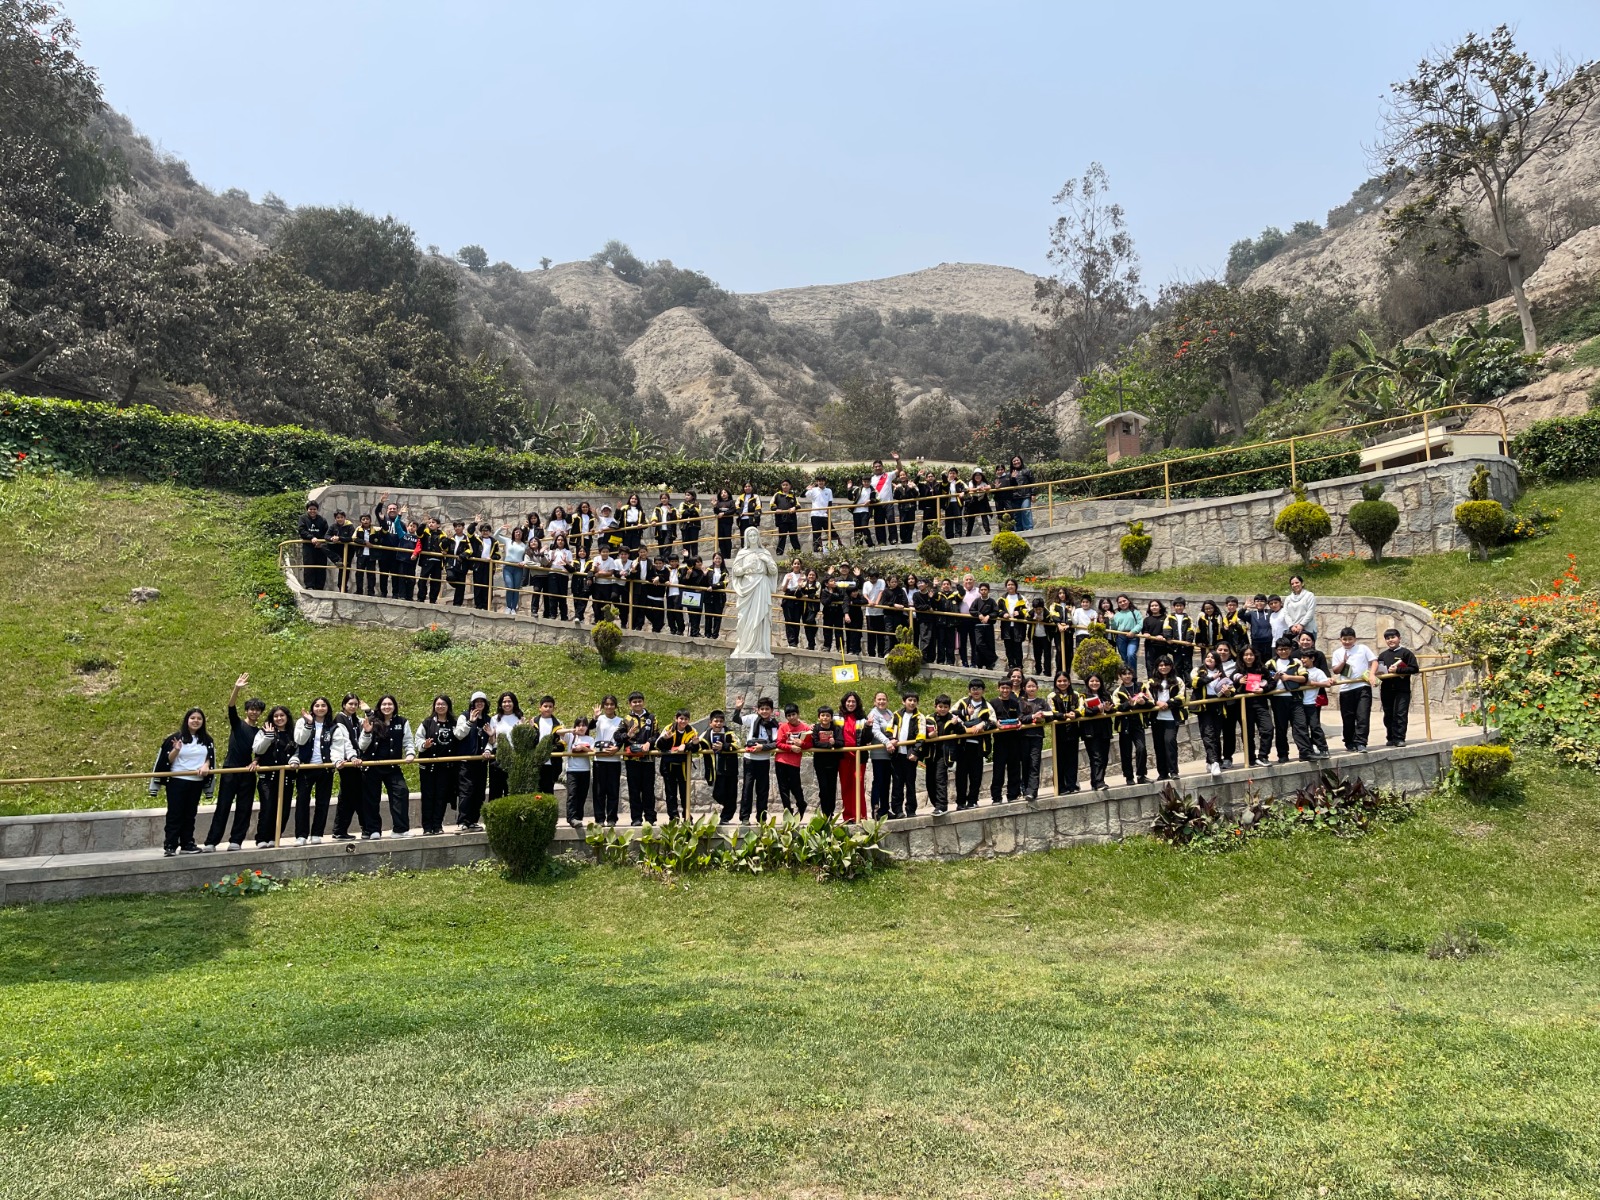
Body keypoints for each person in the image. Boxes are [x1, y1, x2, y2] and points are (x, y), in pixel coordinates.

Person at [202, 674, 262, 851]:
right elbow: (231, 706)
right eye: (251, 709)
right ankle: (211, 842)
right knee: (223, 806)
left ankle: (236, 840)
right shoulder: (237, 724)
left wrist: (256, 760)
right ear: (247, 710)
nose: (254, 712)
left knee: (244, 808)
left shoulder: (260, 732)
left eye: (257, 710)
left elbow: (262, 750)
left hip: (247, 772)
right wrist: (237, 688)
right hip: (230, 769)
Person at [148, 707, 214, 856]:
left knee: (190, 814)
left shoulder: (207, 740)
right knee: (175, 814)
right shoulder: (176, 738)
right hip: (177, 781)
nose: (196, 721)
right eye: (193, 718)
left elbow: (209, 757)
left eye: (199, 718)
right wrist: (176, 749)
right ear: (187, 720)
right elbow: (167, 760)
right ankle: (170, 845)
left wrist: (206, 765)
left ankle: (187, 843)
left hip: (196, 781)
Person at [291, 697, 347, 843]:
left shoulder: (333, 727)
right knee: (302, 802)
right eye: (317, 705)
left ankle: (317, 834)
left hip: (325, 769)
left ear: (327, 708)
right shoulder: (302, 722)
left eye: (323, 705)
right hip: (306, 768)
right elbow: (299, 740)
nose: (320, 708)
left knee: (323, 802)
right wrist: (309, 724)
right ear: (312, 708)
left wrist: (337, 761)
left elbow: (336, 747)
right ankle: (301, 835)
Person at [358, 695, 415, 837]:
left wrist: (410, 753)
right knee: (371, 798)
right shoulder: (372, 721)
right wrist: (367, 732)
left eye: (390, 704)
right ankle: (373, 830)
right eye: (384, 704)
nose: (387, 707)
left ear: (394, 706)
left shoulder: (402, 722)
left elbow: (408, 741)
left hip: (392, 767)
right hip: (372, 766)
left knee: (401, 792)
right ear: (379, 706)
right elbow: (362, 746)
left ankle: (400, 829)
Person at [251, 705, 298, 846]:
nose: (279, 718)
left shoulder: (293, 733)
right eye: (276, 716)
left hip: (287, 777)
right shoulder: (264, 731)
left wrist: (295, 759)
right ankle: (262, 838)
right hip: (268, 778)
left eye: (282, 715)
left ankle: (275, 837)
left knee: (284, 810)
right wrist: (268, 737)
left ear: (287, 717)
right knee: (268, 807)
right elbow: (257, 749)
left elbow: (299, 749)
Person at [416, 695, 459, 836]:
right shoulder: (427, 723)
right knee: (428, 796)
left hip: (446, 768)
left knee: (442, 796)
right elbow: (418, 739)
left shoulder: (454, 723)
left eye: (443, 704)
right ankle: (427, 827)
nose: (440, 706)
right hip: (428, 767)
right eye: (438, 704)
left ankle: (437, 825)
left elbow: (460, 737)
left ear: (448, 706)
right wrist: (425, 745)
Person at [1330, 626, 1377, 752]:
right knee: (1348, 718)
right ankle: (1349, 741)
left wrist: (1372, 674)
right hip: (1346, 689)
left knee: (1363, 715)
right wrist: (1343, 661)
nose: (1347, 642)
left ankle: (1361, 742)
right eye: (1344, 639)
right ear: (1340, 639)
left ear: (1355, 639)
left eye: (1350, 639)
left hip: (1362, 686)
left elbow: (1374, 661)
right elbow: (1336, 670)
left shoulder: (1363, 648)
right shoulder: (1337, 652)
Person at [951, 679, 994, 810]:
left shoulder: (987, 706)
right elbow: (951, 714)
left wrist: (983, 724)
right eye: (973, 689)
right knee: (961, 775)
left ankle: (973, 800)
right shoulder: (962, 702)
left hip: (978, 745)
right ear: (969, 690)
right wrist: (963, 721)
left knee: (976, 775)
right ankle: (960, 802)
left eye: (979, 688)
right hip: (962, 745)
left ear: (983, 690)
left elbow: (993, 721)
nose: (976, 691)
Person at [455, 692, 494, 831]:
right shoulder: (464, 716)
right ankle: (463, 821)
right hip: (466, 761)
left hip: (481, 762)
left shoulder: (488, 719)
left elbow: (491, 740)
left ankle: (473, 821)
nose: (479, 704)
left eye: (482, 701)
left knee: (479, 791)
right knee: (466, 791)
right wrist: (470, 722)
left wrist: (488, 749)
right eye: (477, 701)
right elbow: (458, 735)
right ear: (472, 704)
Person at [736, 695, 779, 822]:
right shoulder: (753, 718)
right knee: (747, 788)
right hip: (749, 759)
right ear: (758, 710)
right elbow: (736, 720)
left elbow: (776, 743)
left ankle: (762, 818)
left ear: (771, 710)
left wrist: (763, 747)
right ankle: (744, 818)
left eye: (767, 709)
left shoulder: (774, 724)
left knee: (763, 790)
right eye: (762, 709)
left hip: (764, 760)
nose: (764, 711)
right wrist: (738, 708)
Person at [883, 692, 926, 817]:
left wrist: (915, 752)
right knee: (897, 783)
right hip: (897, 755)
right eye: (909, 700)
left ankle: (911, 810)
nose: (912, 703)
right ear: (903, 701)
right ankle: (898, 810)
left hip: (910, 755)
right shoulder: (896, 715)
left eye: (914, 700)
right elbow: (889, 730)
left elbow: (921, 736)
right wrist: (891, 739)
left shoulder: (919, 717)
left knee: (910, 783)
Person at [1285, 649, 1332, 761]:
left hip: (1310, 704)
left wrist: (1312, 683)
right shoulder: (1297, 670)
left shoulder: (1318, 672)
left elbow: (1327, 684)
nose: (1302, 660)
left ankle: (1323, 749)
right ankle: (1307, 751)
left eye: (1305, 658)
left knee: (1315, 727)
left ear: (1312, 659)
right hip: (1298, 704)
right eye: (1301, 658)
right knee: (1301, 729)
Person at [1376, 629, 1419, 747]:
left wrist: (1398, 670)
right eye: (1387, 638)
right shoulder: (1383, 655)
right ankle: (1390, 737)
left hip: (1402, 690)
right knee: (1388, 714)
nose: (1390, 640)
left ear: (1399, 638)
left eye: (1393, 637)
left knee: (1400, 714)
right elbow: (1379, 671)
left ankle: (1399, 738)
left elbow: (1414, 668)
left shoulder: (1406, 653)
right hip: (1386, 690)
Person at [1235, 646, 1277, 767]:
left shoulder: (1262, 669)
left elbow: (1272, 682)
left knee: (1268, 729)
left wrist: (1264, 689)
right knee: (1248, 734)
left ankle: (1263, 756)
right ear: (1242, 656)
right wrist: (1238, 682)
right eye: (1246, 655)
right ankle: (1251, 758)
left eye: (1251, 655)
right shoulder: (1238, 671)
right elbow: (1230, 684)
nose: (1249, 657)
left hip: (1260, 705)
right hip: (1244, 706)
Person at [1145, 657, 1186, 781]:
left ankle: (1173, 771)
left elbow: (1182, 697)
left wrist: (1168, 704)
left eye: (1166, 665)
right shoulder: (1151, 682)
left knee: (1170, 742)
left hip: (1171, 717)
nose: (1163, 667)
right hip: (1157, 718)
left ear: (1171, 666)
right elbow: (1147, 697)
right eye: (1161, 665)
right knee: (1159, 746)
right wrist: (1157, 703)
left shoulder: (1178, 681)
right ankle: (1162, 773)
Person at [655, 708, 699, 822]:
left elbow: (695, 748)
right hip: (668, 765)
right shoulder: (668, 728)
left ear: (689, 720)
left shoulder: (692, 731)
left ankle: (687, 816)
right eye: (681, 718)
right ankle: (674, 817)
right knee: (670, 793)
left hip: (684, 765)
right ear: (676, 718)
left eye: (686, 719)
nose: (683, 721)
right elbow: (658, 745)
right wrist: (665, 738)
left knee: (685, 792)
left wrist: (688, 745)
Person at [622, 691, 659, 825]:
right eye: (634, 702)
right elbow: (618, 736)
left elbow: (657, 734)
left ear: (643, 702)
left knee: (648, 789)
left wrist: (649, 742)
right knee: (634, 790)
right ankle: (636, 818)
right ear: (630, 704)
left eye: (639, 701)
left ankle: (650, 818)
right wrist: (628, 735)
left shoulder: (652, 718)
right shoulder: (626, 719)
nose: (637, 704)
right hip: (632, 760)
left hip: (648, 759)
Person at [1112, 667, 1151, 787]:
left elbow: (1151, 702)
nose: (1127, 676)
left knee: (1141, 748)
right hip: (1124, 725)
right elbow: (1116, 707)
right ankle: (1129, 777)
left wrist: (1143, 702)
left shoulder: (1141, 686)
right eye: (1124, 674)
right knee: (1126, 752)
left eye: (1129, 674)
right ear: (1120, 676)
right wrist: (1128, 704)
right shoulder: (1117, 691)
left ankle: (1141, 775)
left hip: (1138, 723)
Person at [590, 694, 625, 826]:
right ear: (603, 706)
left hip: (614, 760)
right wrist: (595, 717)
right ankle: (599, 819)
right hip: (599, 759)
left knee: (613, 791)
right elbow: (588, 728)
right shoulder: (599, 719)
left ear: (615, 706)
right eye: (606, 704)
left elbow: (623, 737)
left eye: (611, 704)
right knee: (599, 791)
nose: (609, 707)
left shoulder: (621, 721)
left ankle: (611, 818)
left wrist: (617, 748)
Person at [988, 677, 1024, 805]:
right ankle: (996, 797)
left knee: (1014, 768)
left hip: (1014, 740)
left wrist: (1019, 721)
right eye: (1003, 688)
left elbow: (1020, 716)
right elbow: (989, 718)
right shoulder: (993, 703)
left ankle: (1013, 795)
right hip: (1000, 742)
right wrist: (995, 723)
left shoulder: (1015, 703)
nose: (1005, 690)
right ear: (998, 688)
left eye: (1007, 688)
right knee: (998, 770)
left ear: (1011, 689)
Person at [701, 709, 741, 822]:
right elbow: (698, 744)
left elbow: (738, 745)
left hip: (729, 769)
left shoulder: (729, 733)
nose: (718, 723)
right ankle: (728, 806)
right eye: (716, 721)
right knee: (718, 794)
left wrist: (724, 747)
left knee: (731, 794)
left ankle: (725, 818)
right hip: (715, 770)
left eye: (721, 721)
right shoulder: (706, 734)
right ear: (710, 723)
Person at [921, 694, 958, 813]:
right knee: (930, 781)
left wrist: (955, 724)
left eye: (945, 707)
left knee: (940, 779)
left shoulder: (953, 719)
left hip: (944, 755)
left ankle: (942, 806)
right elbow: (921, 734)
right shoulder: (928, 719)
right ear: (935, 706)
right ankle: (936, 804)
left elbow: (961, 731)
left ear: (949, 707)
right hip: (931, 755)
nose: (943, 709)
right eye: (940, 706)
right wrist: (929, 736)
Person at [1078, 673, 1114, 790]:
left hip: (1104, 729)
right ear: (1087, 683)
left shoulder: (1106, 694)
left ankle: (1095, 781)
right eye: (1092, 681)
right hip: (1090, 730)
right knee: (1096, 757)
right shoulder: (1083, 696)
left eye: (1097, 681)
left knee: (1104, 757)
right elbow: (1083, 711)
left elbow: (1112, 708)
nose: (1095, 683)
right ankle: (1099, 782)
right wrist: (1097, 709)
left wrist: (1108, 709)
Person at [1046, 672, 1080, 794]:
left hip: (1073, 731)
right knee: (1059, 760)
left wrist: (1075, 714)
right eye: (1059, 681)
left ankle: (1072, 785)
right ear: (1055, 682)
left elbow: (1080, 708)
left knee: (1072, 759)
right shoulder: (1052, 696)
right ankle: (1060, 787)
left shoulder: (1075, 694)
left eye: (1065, 680)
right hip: (1058, 732)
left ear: (1069, 682)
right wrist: (1064, 715)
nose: (1062, 683)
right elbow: (1051, 712)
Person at [837, 691, 870, 822]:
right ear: (844, 703)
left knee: (858, 784)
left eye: (853, 702)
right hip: (843, 757)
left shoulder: (863, 719)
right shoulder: (837, 718)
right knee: (845, 786)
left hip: (859, 757)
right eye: (849, 701)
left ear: (857, 704)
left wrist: (869, 727)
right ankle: (848, 816)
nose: (851, 704)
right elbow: (825, 726)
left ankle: (860, 815)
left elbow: (868, 738)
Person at [865, 690, 897, 818]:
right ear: (874, 701)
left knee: (886, 782)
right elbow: (876, 731)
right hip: (878, 754)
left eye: (884, 699)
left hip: (890, 754)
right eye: (879, 699)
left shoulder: (890, 713)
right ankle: (876, 810)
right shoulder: (873, 714)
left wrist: (894, 740)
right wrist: (887, 742)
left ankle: (885, 810)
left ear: (887, 701)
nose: (881, 701)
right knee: (878, 781)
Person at [804, 707, 841, 817]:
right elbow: (815, 743)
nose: (825, 717)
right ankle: (825, 812)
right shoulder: (815, 728)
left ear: (831, 718)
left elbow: (841, 742)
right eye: (823, 715)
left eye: (828, 715)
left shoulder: (836, 728)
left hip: (833, 762)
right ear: (818, 717)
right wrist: (829, 745)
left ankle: (831, 812)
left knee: (832, 788)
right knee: (823, 788)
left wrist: (835, 742)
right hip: (820, 763)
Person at [775, 704, 811, 817]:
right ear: (786, 717)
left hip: (794, 763)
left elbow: (810, 744)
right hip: (780, 761)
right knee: (783, 788)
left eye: (793, 714)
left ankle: (801, 804)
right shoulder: (783, 727)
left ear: (798, 714)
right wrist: (791, 748)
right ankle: (788, 812)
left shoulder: (805, 728)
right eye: (789, 715)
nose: (791, 717)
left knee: (795, 787)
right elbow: (778, 743)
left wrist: (802, 744)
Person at [1018, 679, 1049, 801]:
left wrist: (1043, 717)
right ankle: (1025, 789)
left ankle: (1032, 791)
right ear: (1024, 688)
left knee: (1034, 763)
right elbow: (1020, 717)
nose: (1031, 689)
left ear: (1037, 688)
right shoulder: (1021, 702)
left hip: (1037, 736)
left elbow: (1050, 714)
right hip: (1024, 736)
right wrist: (1033, 716)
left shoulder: (1042, 702)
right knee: (1025, 763)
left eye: (1033, 686)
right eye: (1029, 686)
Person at [298, 501, 330, 591]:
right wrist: (311, 537)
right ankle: (309, 586)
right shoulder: (303, 518)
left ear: (317, 510)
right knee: (309, 566)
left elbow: (326, 532)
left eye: (314, 509)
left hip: (320, 547)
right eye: (310, 509)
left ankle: (320, 587)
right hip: (308, 546)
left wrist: (321, 542)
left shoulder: (322, 520)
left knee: (321, 567)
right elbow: (302, 530)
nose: (312, 511)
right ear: (307, 510)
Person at [999, 580, 1029, 671]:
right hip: (1006, 627)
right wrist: (1003, 614)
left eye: (1012, 584)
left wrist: (1020, 613)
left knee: (1017, 646)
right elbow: (997, 610)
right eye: (1008, 585)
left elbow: (1027, 610)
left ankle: (1019, 665)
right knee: (1008, 647)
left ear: (1016, 586)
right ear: (1006, 586)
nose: (1010, 586)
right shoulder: (1002, 598)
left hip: (1018, 627)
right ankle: (1011, 664)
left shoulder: (1022, 598)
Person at [1164, 597, 1196, 679]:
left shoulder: (1188, 618)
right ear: (1174, 607)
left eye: (1181, 606)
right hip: (1176, 646)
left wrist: (1189, 640)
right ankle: (1179, 681)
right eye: (1177, 606)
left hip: (1186, 646)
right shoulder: (1170, 617)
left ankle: (1188, 683)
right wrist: (1168, 638)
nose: (1179, 607)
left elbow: (1191, 629)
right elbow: (1167, 627)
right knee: (1177, 665)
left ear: (1184, 607)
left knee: (1188, 665)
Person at [1111, 594, 1142, 675]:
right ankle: (1126, 676)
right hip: (1121, 637)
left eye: (1124, 601)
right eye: (1120, 602)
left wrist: (1133, 631)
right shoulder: (1117, 614)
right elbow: (1114, 627)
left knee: (1131, 655)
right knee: (1124, 658)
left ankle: (1133, 676)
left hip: (1133, 637)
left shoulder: (1135, 612)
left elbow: (1140, 624)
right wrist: (1111, 619)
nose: (1122, 603)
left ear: (1128, 601)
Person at [1282, 574, 1317, 643]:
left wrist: (1301, 625)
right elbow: (1286, 613)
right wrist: (1291, 626)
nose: (1295, 585)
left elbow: (1310, 612)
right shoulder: (1288, 598)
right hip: (1293, 630)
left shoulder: (1309, 595)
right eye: (1292, 584)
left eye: (1297, 582)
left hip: (1308, 629)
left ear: (1302, 583)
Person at [805, 477, 834, 553]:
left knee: (832, 532)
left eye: (822, 481)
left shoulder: (829, 490)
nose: (821, 482)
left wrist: (828, 513)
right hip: (815, 515)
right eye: (819, 481)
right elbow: (804, 496)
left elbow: (830, 503)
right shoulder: (813, 490)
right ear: (817, 482)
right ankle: (817, 550)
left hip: (825, 515)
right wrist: (808, 489)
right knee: (816, 534)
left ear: (825, 482)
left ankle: (837, 548)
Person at [1141, 599, 1169, 678]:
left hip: (1162, 646)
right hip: (1150, 645)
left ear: (1160, 607)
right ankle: (1151, 681)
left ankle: (1162, 680)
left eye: (1156, 605)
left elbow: (1168, 630)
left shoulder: (1166, 618)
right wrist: (1146, 633)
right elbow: (1144, 630)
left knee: (1162, 664)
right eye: (1152, 606)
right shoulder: (1147, 620)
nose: (1154, 607)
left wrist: (1162, 635)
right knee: (1150, 665)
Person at [772, 480, 800, 555]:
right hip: (781, 519)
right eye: (783, 485)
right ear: (781, 486)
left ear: (790, 486)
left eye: (787, 485)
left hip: (792, 519)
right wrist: (776, 509)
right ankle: (779, 552)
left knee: (794, 536)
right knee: (782, 537)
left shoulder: (792, 495)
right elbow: (772, 505)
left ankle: (798, 552)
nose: (785, 486)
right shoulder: (777, 495)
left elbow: (798, 505)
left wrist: (794, 508)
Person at [1008, 455, 1036, 531]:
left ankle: (1028, 528)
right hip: (1015, 496)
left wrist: (1033, 494)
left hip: (1026, 495)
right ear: (1012, 463)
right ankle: (1018, 530)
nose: (1016, 462)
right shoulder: (1010, 473)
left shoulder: (1027, 471)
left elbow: (1032, 483)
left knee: (1026, 510)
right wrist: (1012, 478)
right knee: (1016, 514)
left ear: (1020, 461)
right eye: (1014, 461)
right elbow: (1010, 485)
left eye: (1017, 460)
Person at [964, 470, 993, 537]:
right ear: (974, 476)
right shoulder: (971, 482)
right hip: (973, 500)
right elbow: (970, 489)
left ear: (981, 476)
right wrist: (977, 488)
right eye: (976, 475)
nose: (978, 477)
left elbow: (989, 487)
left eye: (979, 475)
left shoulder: (984, 482)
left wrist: (984, 488)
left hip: (982, 500)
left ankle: (987, 531)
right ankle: (968, 534)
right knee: (971, 517)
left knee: (984, 515)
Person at [679, 492, 702, 563]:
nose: (686, 496)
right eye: (686, 495)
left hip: (694, 526)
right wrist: (690, 511)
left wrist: (688, 511)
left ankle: (695, 558)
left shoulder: (697, 504)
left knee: (694, 542)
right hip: (684, 526)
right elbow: (681, 512)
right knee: (685, 543)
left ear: (693, 496)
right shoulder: (682, 504)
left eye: (688, 495)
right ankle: (686, 559)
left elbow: (698, 511)